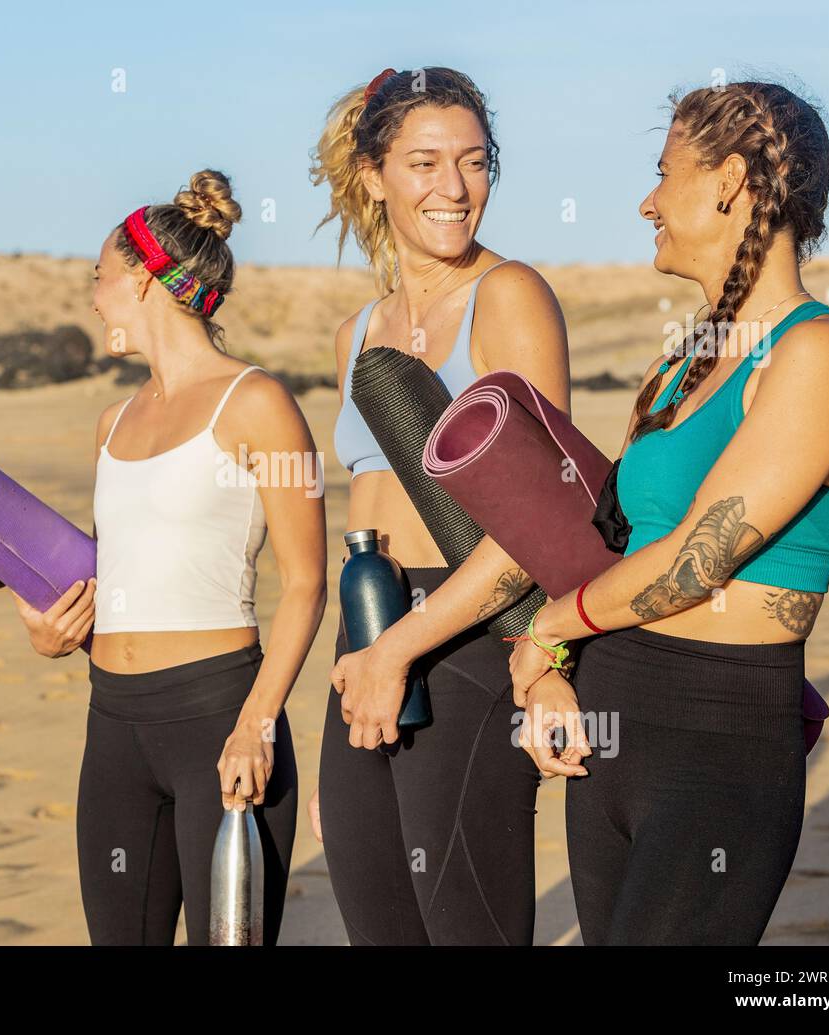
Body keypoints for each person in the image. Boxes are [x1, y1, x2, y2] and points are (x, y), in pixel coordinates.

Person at [508, 82, 829, 945]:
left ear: (731, 180)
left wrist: (545, 630)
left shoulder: (817, 352)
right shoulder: (690, 360)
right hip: (612, 728)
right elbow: (617, 545)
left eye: (663, 173)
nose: (647, 201)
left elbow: (692, 561)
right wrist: (551, 666)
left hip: (716, 747)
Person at [0, 171, 327, 945]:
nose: (94, 300)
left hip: (219, 717)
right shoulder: (111, 420)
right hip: (113, 724)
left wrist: (256, 725)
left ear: (139, 278)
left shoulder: (259, 403)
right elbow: (122, 567)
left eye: (98, 279)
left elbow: (305, 584)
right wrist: (19, 584)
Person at [309, 67, 580, 945]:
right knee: (377, 919)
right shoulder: (357, 332)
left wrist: (402, 649)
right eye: (424, 162)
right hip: (369, 628)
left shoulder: (509, 296)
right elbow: (364, 503)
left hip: (470, 635)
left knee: (469, 924)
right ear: (373, 174)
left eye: (473, 161)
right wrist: (363, 654)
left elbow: (539, 521)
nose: (454, 189)